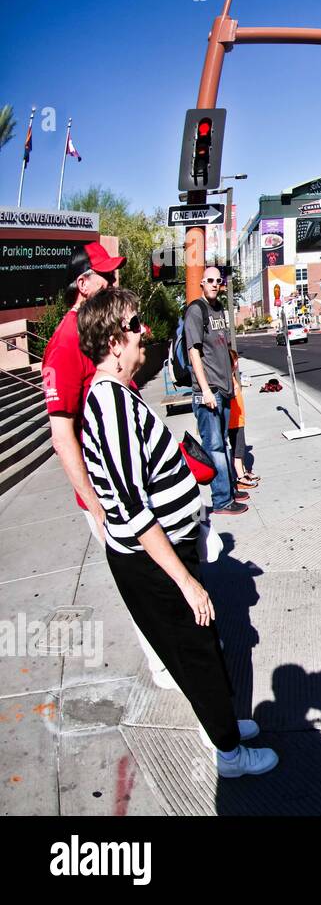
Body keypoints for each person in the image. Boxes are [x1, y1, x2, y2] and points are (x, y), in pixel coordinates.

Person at [77, 288, 277, 777]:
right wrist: (186, 582)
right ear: (114, 340)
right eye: (136, 323)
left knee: (205, 647)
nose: (145, 331)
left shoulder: (118, 395)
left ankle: (225, 722)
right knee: (196, 653)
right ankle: (229, 754)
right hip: (154, 563)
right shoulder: (110, 404)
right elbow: (130, 507)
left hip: (166, 551)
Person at [41, 244, 177, 689]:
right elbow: (63, 439)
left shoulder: (101, 330)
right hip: (109, 492)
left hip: (136, 476)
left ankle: (173, 651)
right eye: (107, 276)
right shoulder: (64, 343)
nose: (116, 282)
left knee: (159, 569)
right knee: (141, 578)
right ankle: (163, 665)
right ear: (82, 284)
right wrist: (97, 507)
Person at [186, 267, 246, 516]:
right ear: (201, 283)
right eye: (209, 280)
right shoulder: (196, 310)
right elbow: (193, 352)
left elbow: (225, 350)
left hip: (224, 387)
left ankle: (229, 489)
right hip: (209, 390)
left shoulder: (219, 309)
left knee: (224, 443)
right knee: (215, 446)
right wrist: (205, 390)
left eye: (218, 281)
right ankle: (222, 500)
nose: (214, 284)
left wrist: (233, 379)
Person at [228, 348, 258, 490]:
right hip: (234, 420)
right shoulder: (228, 378)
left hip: (238, 419)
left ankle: (244, 472)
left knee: (239, 447)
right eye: (235, 361)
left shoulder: (232, 376)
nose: (237, 363)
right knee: (238, 450)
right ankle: (240, 477)